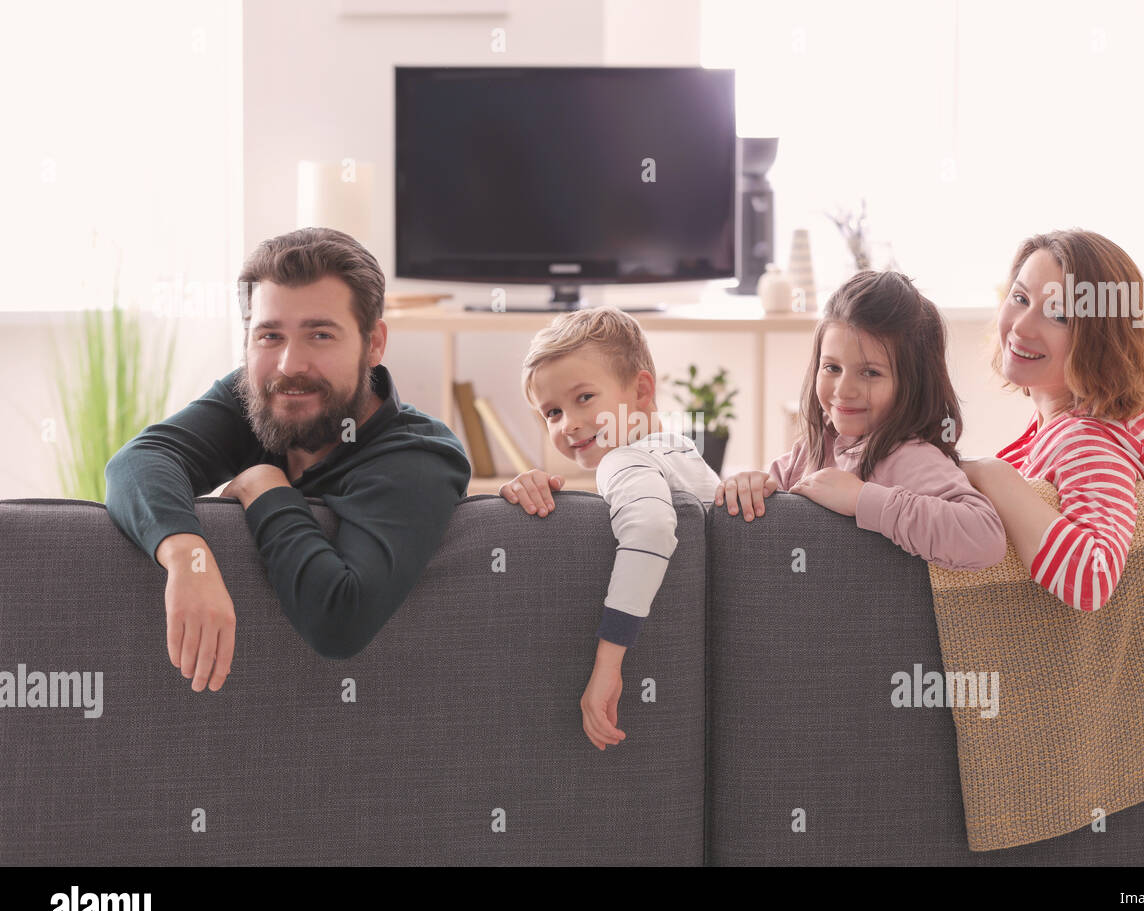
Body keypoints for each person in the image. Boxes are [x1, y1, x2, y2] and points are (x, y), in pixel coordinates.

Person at [104, 227, 470, 690]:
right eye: (269, 336)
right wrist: (185, 555)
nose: (289, 365)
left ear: (373, 343)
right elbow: (138, 460)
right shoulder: (257, 397)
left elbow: (340, 622)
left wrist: (263, 485)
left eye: (320, 334)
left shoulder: (419, 458)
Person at [499, 307, 720, 751]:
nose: (569, 424)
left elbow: (653, 530)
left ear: (641, 391)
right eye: (552, 412)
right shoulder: (682, 452)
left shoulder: (624, 460)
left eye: (584, 398)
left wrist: (607, 663)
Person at [715, 269, 1006, 571]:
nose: (844, 390)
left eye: (870, 373)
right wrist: (747, 483)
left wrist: (860, 499)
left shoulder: (910, 457)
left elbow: (985, 538)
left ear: (913, 384)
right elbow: (765, 494)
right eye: (832, 368)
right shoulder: (812, 449)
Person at [959, 229, 1144, 611]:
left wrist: (992, 473)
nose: (1022, 326)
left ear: (1101, 339)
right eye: (1020, 297)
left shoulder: (1086, 440)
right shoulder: (1064, 426)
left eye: (1058, 315)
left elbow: (1092, 578)